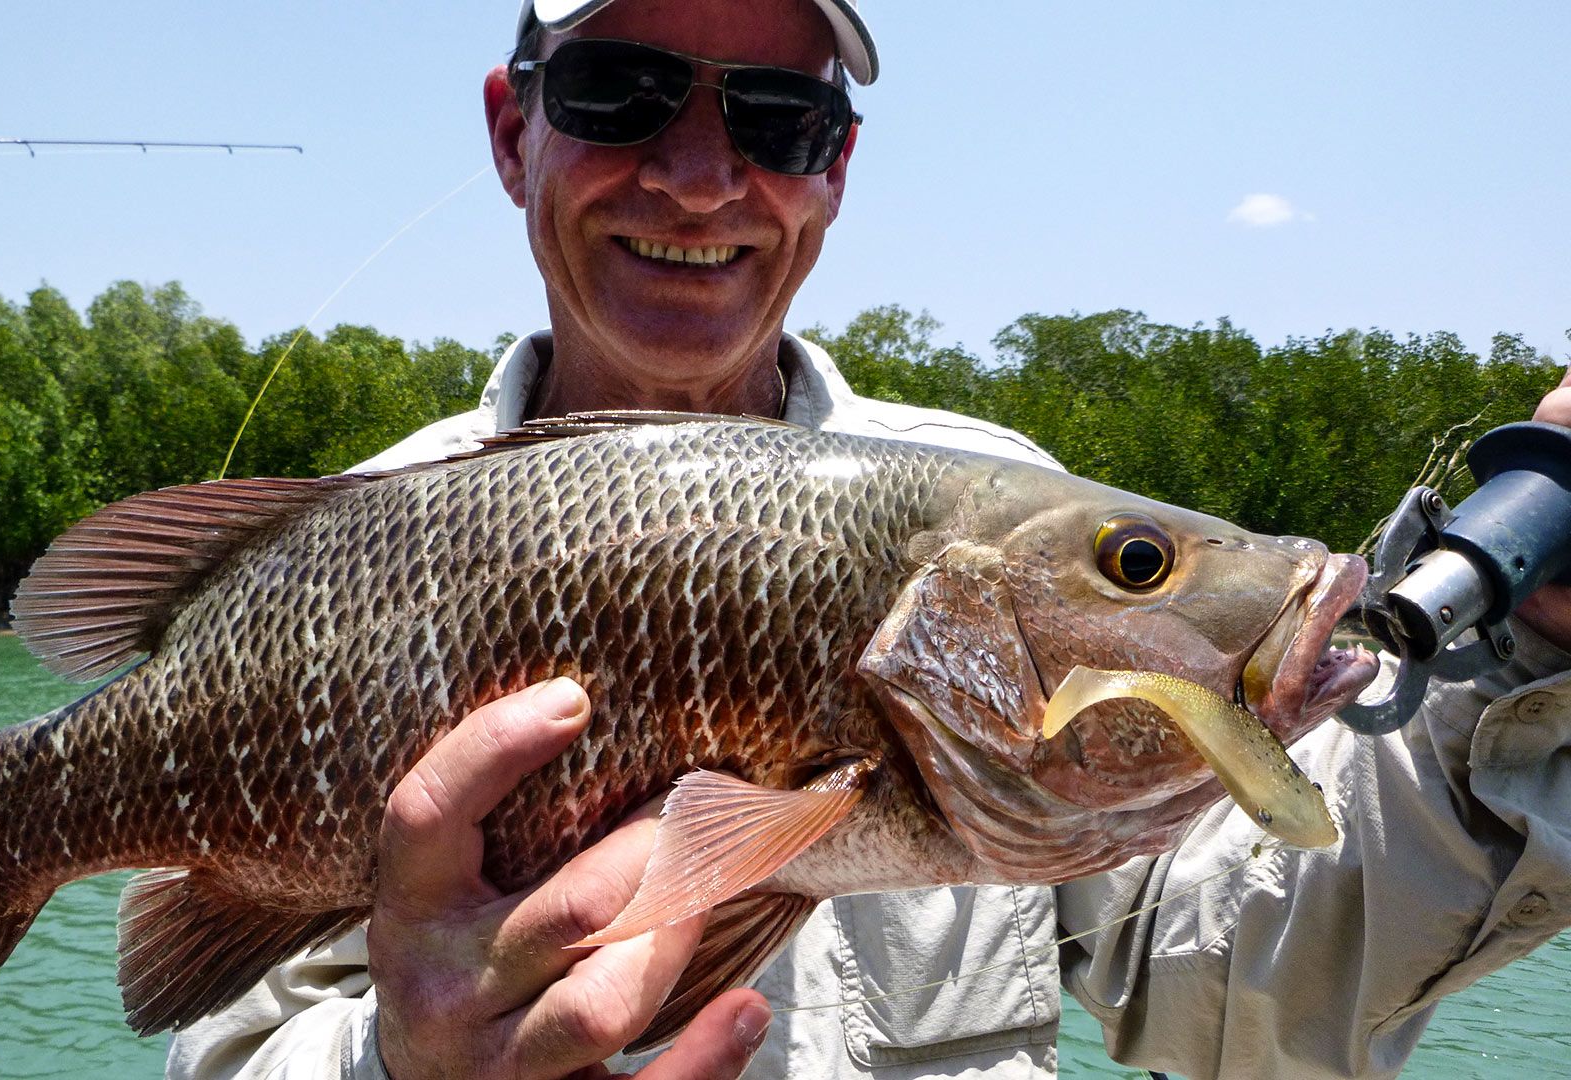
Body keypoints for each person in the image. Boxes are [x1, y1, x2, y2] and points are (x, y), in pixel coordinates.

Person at [169, 1, 1571, 1076]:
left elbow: (1243, 996)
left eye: (777, 118)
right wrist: (397, 1061)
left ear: (834, 165)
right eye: (622, 94)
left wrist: (1527, 657)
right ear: (508, 130)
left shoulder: (1002, 492)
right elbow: (215, 1036)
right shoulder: (335, 555)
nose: (704, 175)